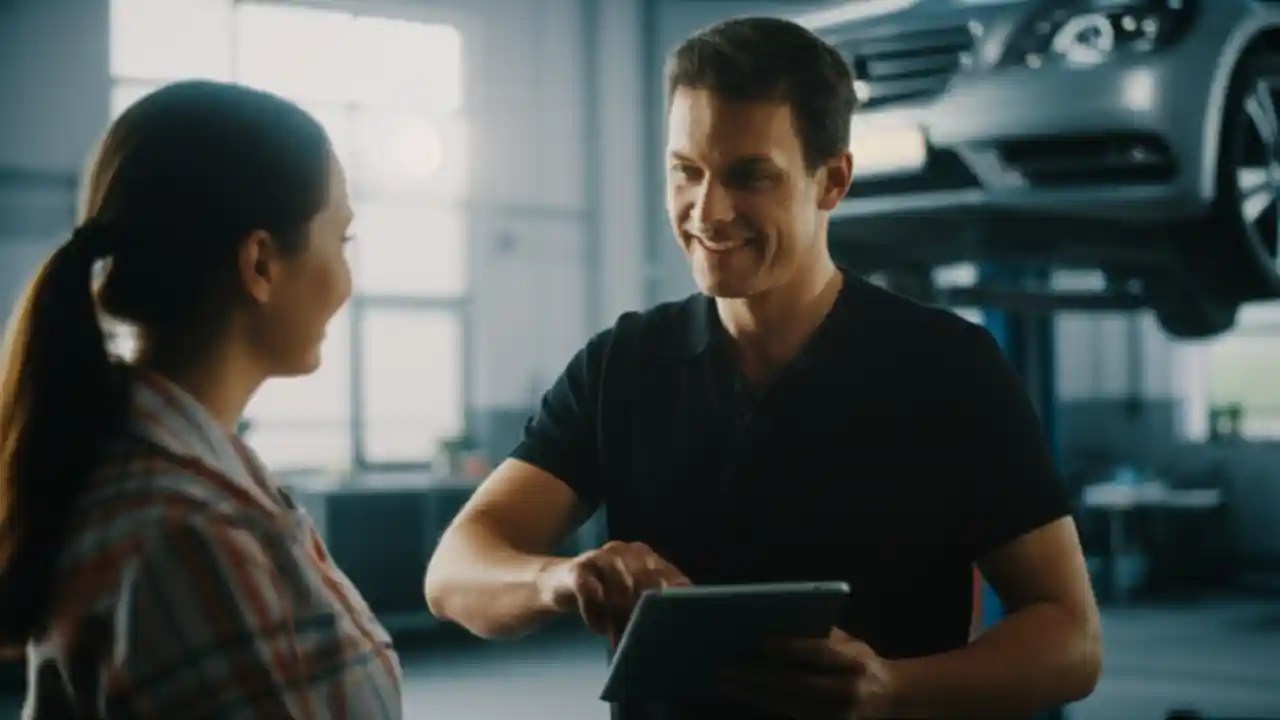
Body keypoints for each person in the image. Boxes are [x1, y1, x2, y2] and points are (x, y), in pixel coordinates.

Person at [425, 16, 1101, 720]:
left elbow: (1071, 639)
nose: (708, 211)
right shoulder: (622, 367)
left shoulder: (949, 369)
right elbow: (456, 574)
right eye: (686, 171)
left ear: (832, 180)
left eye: (750, 177)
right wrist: (560, 579)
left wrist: (897, 690)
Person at [0, 81, 402, 718]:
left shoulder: (167, 479)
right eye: (342, 239)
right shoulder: (195, 537)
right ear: (261, 264)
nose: (349, 279)